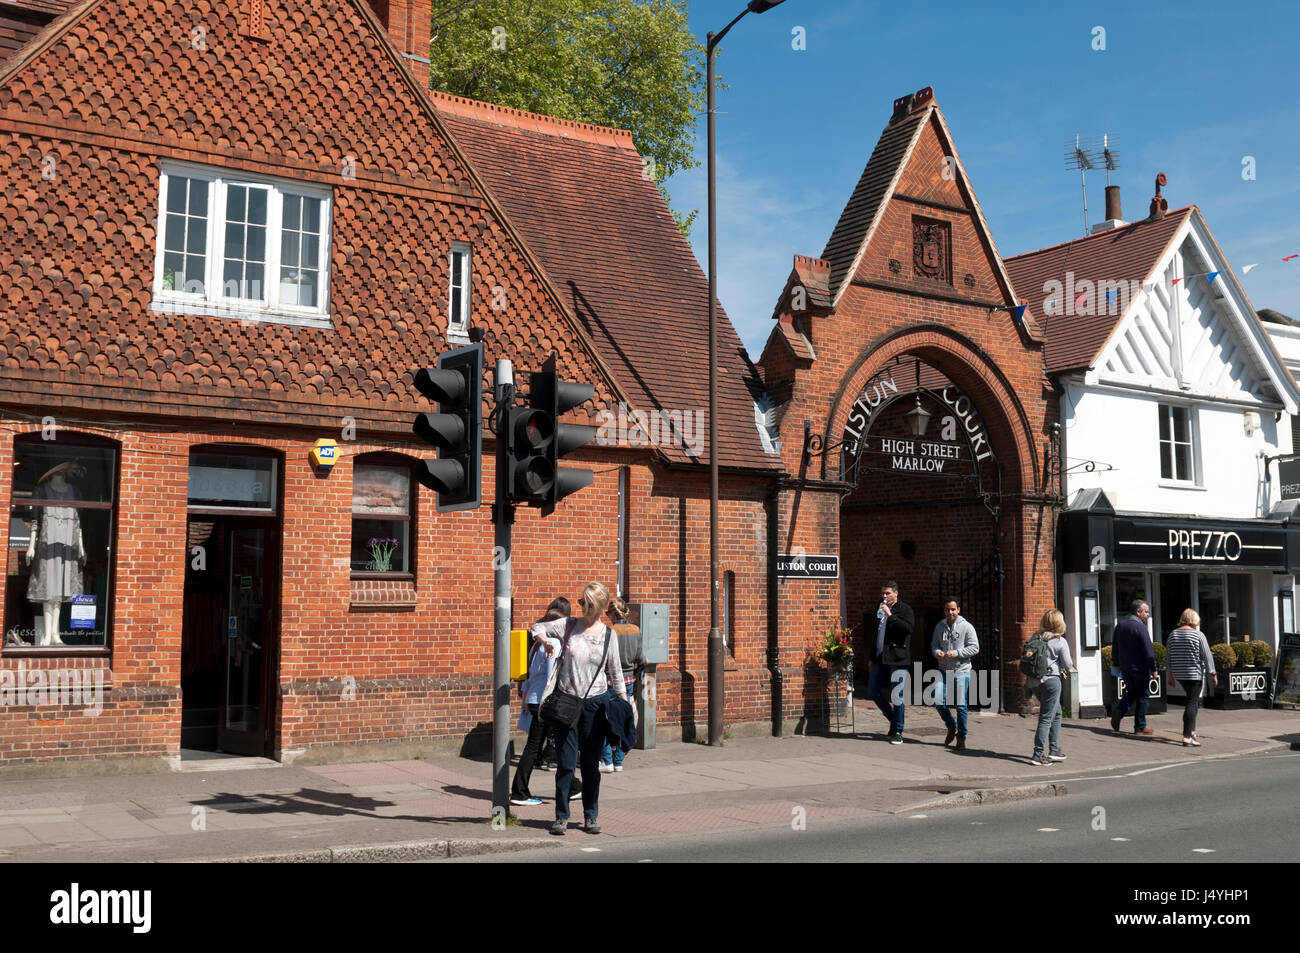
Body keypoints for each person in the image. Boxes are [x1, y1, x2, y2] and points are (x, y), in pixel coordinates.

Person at [535, 581, 627, 836]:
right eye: (581, 601)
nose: (581, 606)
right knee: (565, 763)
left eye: (586, 602)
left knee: (590, 765)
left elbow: (616, 674)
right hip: (566, 701)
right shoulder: (568, 626)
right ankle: (561, 816)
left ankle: (590, 815)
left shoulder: (609, 636)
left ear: (596, 606)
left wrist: (624, 708)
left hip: (595, 705)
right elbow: (536, 627)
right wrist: (545, 641)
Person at [510, 598, 581, 806]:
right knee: (548, 747)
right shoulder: (554, 643)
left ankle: (573, 787)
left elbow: (531, 676)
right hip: (546, 701)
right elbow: (552, 677)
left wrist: (525, 698)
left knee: (550, 746)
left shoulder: (536, 646)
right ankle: (520, 792)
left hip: (535, 699)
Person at [866, 580, 913, 744]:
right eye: (882, 594)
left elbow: (908, 629)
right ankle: (894, 720)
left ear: (896, 593)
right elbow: (877, 634)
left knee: (897, 695)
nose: (884, 597)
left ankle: (898, 731)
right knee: (872, 691)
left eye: (887, 593)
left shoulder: (905, 609)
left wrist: (890, 616)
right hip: (880, 657)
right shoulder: (880, 607)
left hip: (897, 658)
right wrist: (872, 657)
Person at [1026, 608, 1073, 766]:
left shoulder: (1035, 637)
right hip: (1052, 681)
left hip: (1034, 681)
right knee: (1046, 717)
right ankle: (1038, 754)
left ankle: (1054, 750)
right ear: (1059, 623)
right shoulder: (1060, 641)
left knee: (1057, 713)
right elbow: (1068, 664)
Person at [600, 597, 643, 773]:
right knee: (624, 720)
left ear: (612, 613)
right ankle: (619, 761)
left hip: (610, 680)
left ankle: (607, 759)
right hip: (629, 681)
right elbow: (641, 658)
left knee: (604, 721)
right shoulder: (635, 630)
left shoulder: (609, 632)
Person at [931, 597, 979, 749]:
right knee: (938, 700)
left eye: (953, 609)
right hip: (944, 669)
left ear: (958, 610)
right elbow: (934, 645)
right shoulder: (940, 626)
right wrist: (938, 652)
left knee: (960, 705)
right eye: (947, 609)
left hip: (961, 670)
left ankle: (961, 737)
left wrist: (957, 652)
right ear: (944, 611)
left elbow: (975, 648)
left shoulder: (967, 627)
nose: (950, 612)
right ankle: (951, 726)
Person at [1165, 608, 1216, 746]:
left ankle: (1191, 730)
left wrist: (1169, 674)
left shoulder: (1173, 634)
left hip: (1179, 674)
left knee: (1190, 701)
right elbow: (1207, 655)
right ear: (1194, 620)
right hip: (1194, 674)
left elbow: (1168, 655)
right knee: (1192, 704)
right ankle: (1187, 736)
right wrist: (1213, 673)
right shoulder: (1198, 635)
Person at [1111, 600, 1157, 736]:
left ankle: (1119, 712)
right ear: (1138, 612)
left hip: (1126, 667)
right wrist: (1154, 668)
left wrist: (1116, 663)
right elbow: (1148, 649)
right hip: (1140, 667)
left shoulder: (1120, 625)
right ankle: (1140, 727)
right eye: (1146, 612)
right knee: (1143, 695)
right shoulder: (1140, 627)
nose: (1148, 615)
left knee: (1131, 692)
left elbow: (1115, 645)